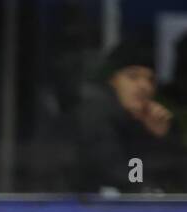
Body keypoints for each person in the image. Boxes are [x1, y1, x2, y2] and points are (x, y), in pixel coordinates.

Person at [75, 40, 186, 193]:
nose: (144, 86)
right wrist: (149, 139)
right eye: (133, 76)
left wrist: (162, 136)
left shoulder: (148, 121)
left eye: (150, 79)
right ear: (112, 81)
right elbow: (127, 176)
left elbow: (178, 177)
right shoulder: (94, 117)